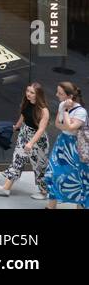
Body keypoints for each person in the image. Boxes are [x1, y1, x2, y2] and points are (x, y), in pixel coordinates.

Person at [0, 82, 51, 198]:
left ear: (38, 95)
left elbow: (41, 129)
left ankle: (44, 191)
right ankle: (6, 188)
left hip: (38, 140)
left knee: (39, 166)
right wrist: (16, 127)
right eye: (27, 91)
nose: (28, 94)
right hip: (24, 134)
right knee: (17, 160)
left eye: (32, 92)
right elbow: (23, 117)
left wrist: (31, 143)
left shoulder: (44, 110)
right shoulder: (26, 103)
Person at [43, 81, 89, 209]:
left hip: (76, 148)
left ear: (70, 96)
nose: (57, 95)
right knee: (53, 173)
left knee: (79, 178)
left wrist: (67, 111)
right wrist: (66, 119)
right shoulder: (62, 104)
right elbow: (57, 124)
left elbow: (69, 126)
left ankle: (80, 206)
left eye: (60, 93)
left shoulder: (81, 112)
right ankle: (51, 206)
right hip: (62, 143)